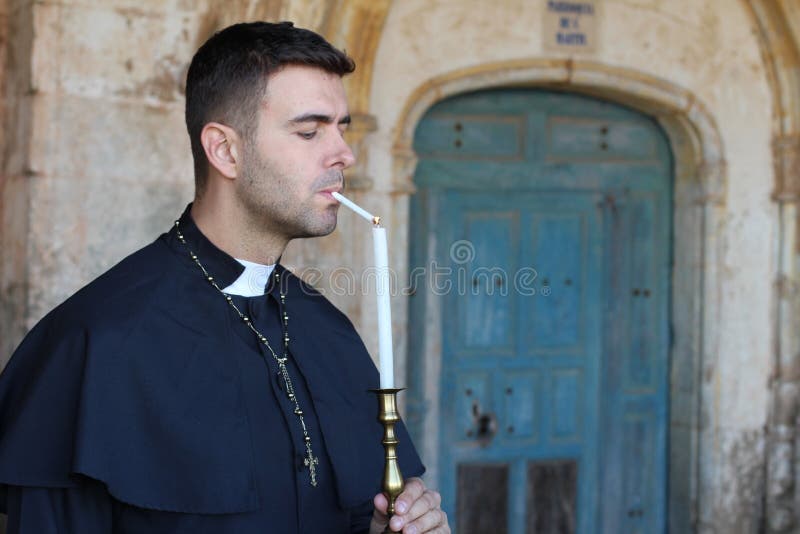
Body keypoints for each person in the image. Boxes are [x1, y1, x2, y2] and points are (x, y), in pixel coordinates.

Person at [0, 21, 450, 534]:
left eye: (342, 127)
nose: (344, 154)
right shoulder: (94, 342)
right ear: (225, 151)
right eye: (310, 131)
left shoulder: (331, 331)